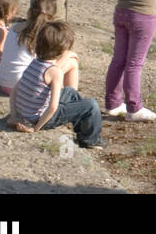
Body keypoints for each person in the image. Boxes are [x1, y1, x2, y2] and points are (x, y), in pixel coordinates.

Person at [8, 21, 104, 149]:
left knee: (70, 92)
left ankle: (82, 130)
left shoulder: (34, 63)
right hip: (38, 118)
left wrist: (15, 115)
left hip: (25, 113)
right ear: (63, 50)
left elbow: (15, 90)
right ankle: (90, 140)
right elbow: (53, 107)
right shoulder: (54, 72)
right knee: (91, 105)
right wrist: (35, 129)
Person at [0, 0, 78, 95]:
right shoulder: (44, 34)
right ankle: (70, 97)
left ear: (29, 12)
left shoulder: (14, 27)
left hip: (4, 84)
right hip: (24, 86)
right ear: (52, 16)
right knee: (72, 59)